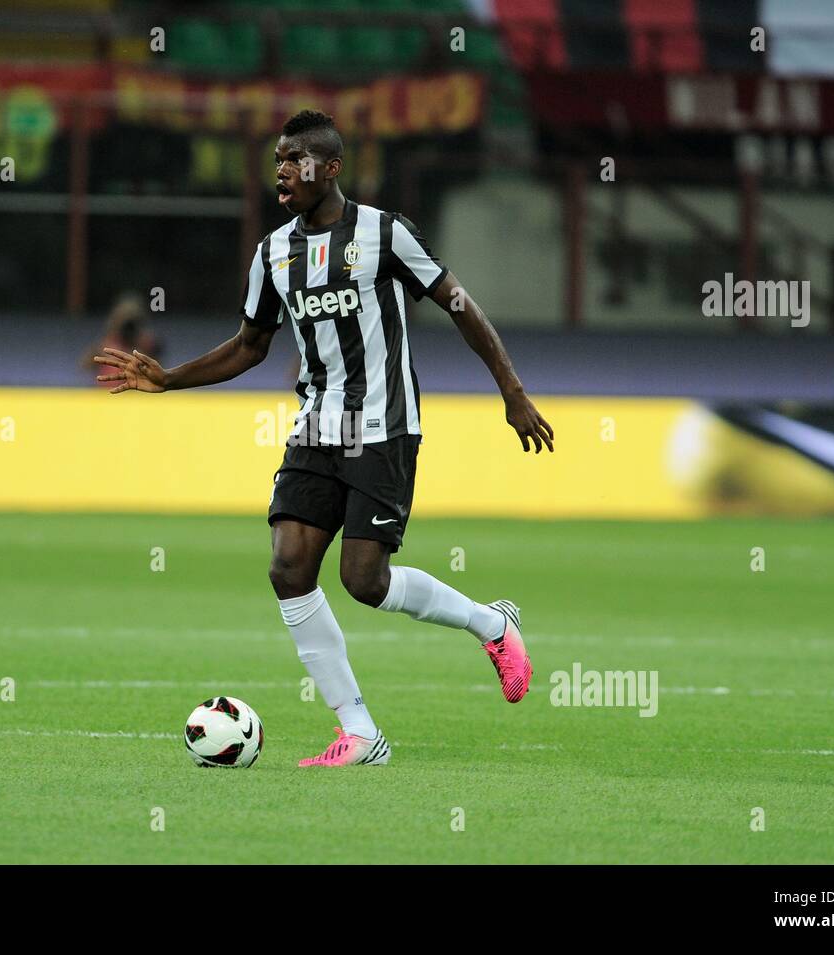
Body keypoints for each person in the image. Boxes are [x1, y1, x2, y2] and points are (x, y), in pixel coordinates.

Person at [94, 110, 553, 767]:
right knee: (288, 566)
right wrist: (169, 378)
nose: (282, 170)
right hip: (317, 424)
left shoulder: (385, 234)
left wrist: (510, 390)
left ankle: (491, 624)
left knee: (364, 579)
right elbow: (251, 345)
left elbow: (459, 303)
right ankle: (360, 731)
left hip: (385, 423)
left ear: (331, 167)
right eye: (277, 159)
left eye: (296, 159)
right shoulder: (274, 253)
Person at [82, 294, 160, 388]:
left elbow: (159, 379)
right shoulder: (106, 346)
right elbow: (84, 367)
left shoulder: (147, 346)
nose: (128, 329)